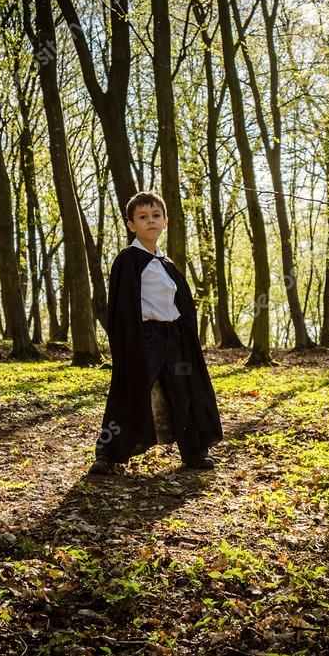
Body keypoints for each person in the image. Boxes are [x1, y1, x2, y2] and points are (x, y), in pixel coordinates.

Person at [89, 191, 222, 475]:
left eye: (156, 215)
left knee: (183, 391)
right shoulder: (128, 260)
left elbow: (181, 306)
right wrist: (127, 345)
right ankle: (107, 454)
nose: (150, 220)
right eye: (142, 217)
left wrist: (186, 339)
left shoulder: (167, 264)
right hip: (144, 339)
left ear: (165, 222)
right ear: (131, 225)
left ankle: (195, 451)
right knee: (130, 392)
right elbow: (121, 308)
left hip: (175, 339)